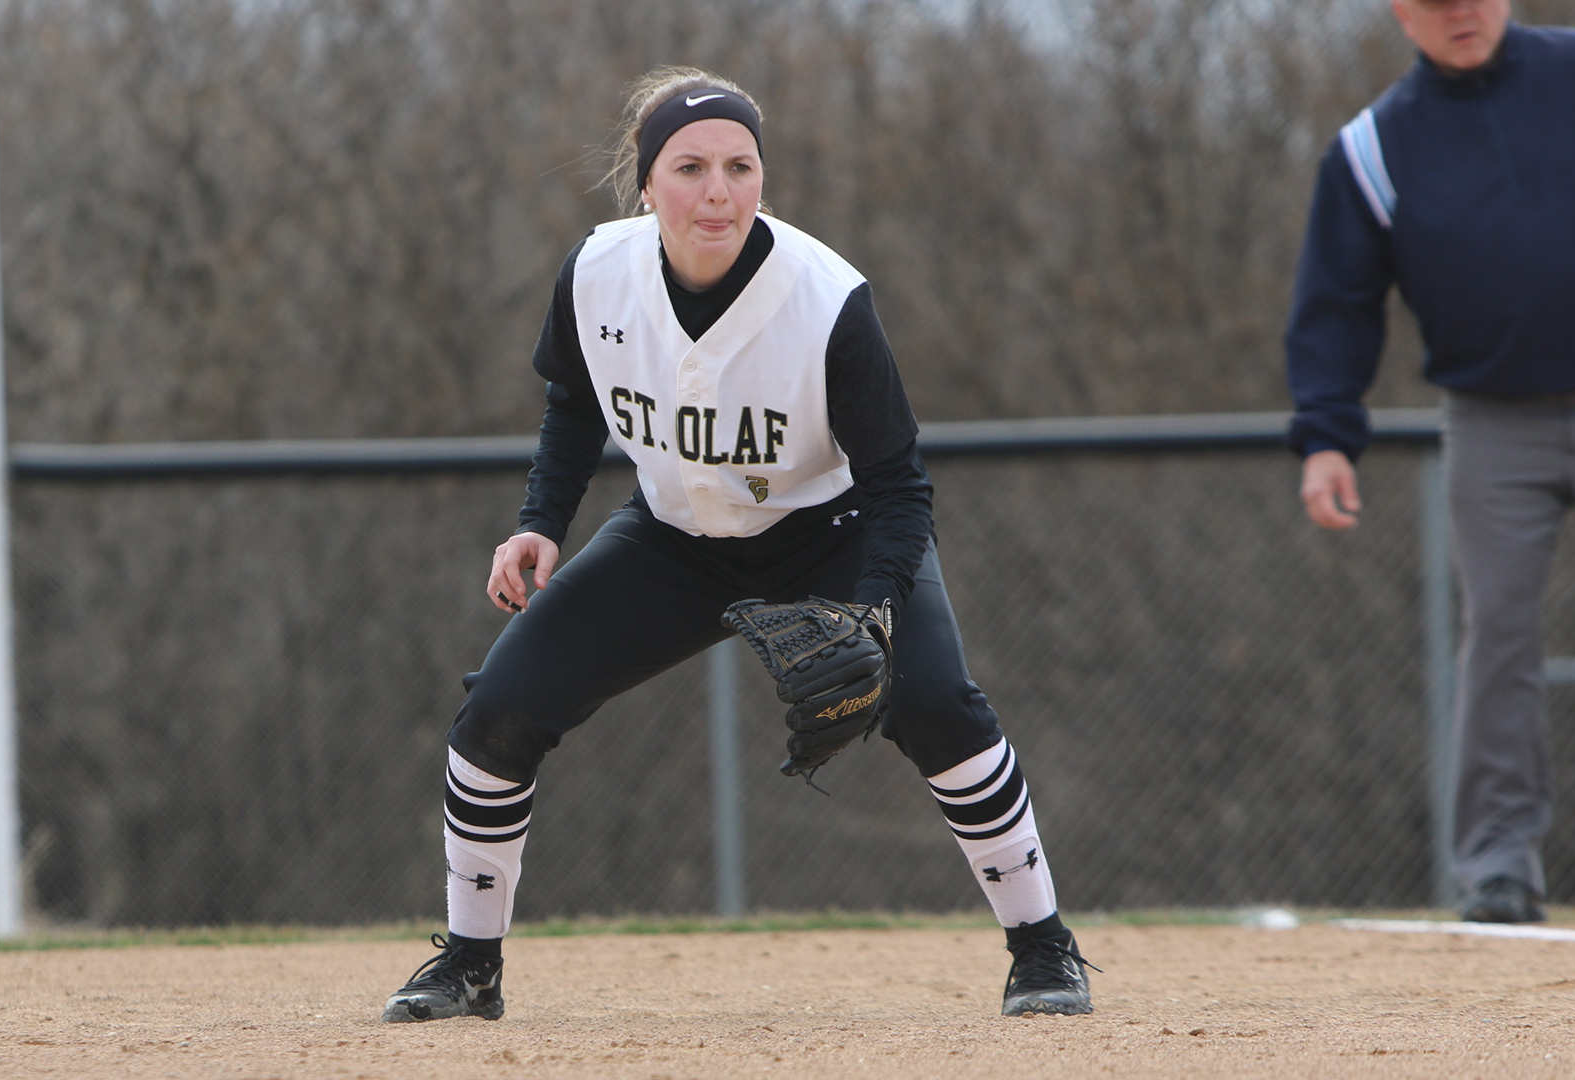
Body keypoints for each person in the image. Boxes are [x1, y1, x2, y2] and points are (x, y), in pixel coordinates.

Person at [380, 67, 1096, 1021]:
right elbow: (575, 400)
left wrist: (875, 607)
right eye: (690, 167)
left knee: (935, 704)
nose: (717, 190)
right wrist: (538, 524)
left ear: (763, 178)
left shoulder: (825, 298)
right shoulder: (598, 270)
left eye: (739, 166)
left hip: (832, 534)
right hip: (670, 539)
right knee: (500, 712)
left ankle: (1045, 949)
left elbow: (898, 486)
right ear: (646, 184)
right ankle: (470, 968)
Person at [1286, 0, 1575, 922]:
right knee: (1500, 635)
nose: (1460, 13)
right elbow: (1337, 302)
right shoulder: (1371, 146)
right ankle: (1499, 867)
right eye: (1434, 0)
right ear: (1401, 11)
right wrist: (1328, 435)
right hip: (1491, 423)